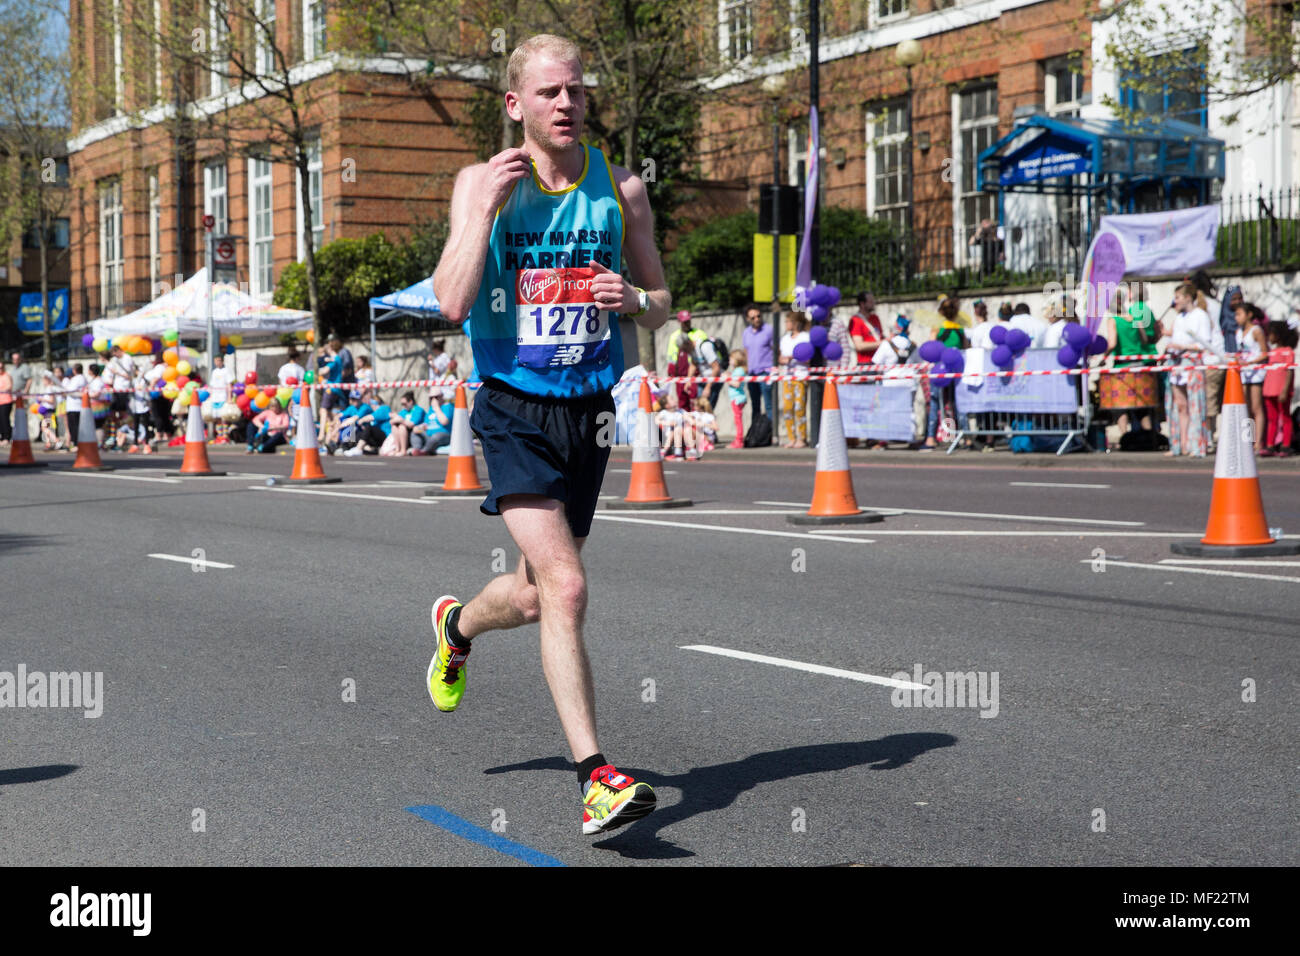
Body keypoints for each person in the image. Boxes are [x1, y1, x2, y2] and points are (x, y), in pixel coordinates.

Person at [428, 32, 664, 834]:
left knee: (533, 599)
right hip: (512, 407)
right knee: (566, 587)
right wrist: (485, 214)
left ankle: (456, 625)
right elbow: (452, 303)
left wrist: (631, 299)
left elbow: (664, 299)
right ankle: (597, 778)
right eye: (550, 93)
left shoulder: (621, 187)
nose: (567, 104)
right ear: (515, 104)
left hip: (588, 411)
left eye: (577, 92)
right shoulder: (479, 182)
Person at [1161, 281, 1212, 458]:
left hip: (1192, 363)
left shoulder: (1200, 316)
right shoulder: (1179, 318)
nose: (1175, 301)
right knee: (1180, 405)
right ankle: (1180, 443)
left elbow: (1204, 343)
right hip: (1177, 364)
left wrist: (1182, 346)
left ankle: (1196, 444)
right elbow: (1174, 337)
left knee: (1195, 405)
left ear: (1188, 297)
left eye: (1178, 297)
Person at [1102, 285, 1160, 435]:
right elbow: (1145, 339)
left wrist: (1103, 357)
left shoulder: (1113, 320)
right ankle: (1148, 436)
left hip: (1123, 366)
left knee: (1121, 405)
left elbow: (1113, 343)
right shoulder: (1135, 318)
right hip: (1139, 365)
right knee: (1141, 405)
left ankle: (1124, 437)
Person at [924, 298, 966, 449]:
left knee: (935, 402)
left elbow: (931, 346)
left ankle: (930, 438)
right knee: (957, 403)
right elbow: (965, 347)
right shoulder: (959, 328)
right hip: (957, 369)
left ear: (941, 311)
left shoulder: (938, 327)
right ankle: (964, 437)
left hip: (939, 370)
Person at [1233, 301, 1269, 455]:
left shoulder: (1256, 331)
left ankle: (1258, 442)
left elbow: (1264, 353)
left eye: (1239, 314)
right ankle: (1248, 439)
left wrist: (1250, 362)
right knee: (1246, 408)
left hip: (1255, 373)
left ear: (1249, 315)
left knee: (1256, 407)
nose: (1236, 318)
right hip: (1244, 373)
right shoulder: (1238, 332)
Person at [1261, 320, 1296, 457]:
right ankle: (1270, 445)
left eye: (1271, 334)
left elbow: (1289, 372)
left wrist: (1285, 390)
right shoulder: (1272, 352)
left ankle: (1286, 445)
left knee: (1285, 417)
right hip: (1269, 390)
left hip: (1281, 391)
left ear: (1278, 335)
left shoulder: (1288, 352)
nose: (1269, 337)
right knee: (1272, 418)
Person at [777, 310, 811, 448]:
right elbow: (779, 356)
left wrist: (793, 357)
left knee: (799, 407)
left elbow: (808, 357)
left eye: (788, 321)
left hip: (801, 376)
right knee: (787, 408)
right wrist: (782, 360)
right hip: (787, 376)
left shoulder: (805, 337)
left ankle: (802, 437)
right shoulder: (784, 338)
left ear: (795, 323)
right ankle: (791, 437)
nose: (786, 324)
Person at [742, 302, 775, 427]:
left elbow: (775, 349)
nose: (756, 319)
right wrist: (745, 368)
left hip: (765, 371)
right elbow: (746, 351)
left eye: (758, 316)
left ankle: (770, 432)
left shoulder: (768, 330)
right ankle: (756, 431)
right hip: (752, 373)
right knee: (755, 404)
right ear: (748, 319)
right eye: (753, 317)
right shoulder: (746, 333)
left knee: (768, 404)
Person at [848, 292, 883, 366]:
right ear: (862, 304)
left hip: (879, 361)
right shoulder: (855, 321)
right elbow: (859, 346)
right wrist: (881, 343)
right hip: (865, 363)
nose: (873, 303)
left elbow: (880, 337)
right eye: (870, 301)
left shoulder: (875, 318)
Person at [388, 390, 426, 456]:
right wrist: (395, 418)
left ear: (411, 402)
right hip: (405, 433)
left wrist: (401, 420)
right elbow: (392, 421)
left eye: (404, 404)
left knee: (402, 427)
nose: (403, 406)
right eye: (402, 404)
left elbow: (411, 424)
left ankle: (403, 450)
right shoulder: (404, 411)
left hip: (416, 432)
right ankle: (398, 449)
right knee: (394, 427)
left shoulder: (418, 410)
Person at [726, 347, 747, 448]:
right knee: (737, 420)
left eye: (731, 359)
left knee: (738, 421)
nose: (729, 361)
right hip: (736, 398)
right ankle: (738, 440)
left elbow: (737, 384)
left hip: (737, 398)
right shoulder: (738, 370)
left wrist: (727, 379)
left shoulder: (739, 370)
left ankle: (739, 441)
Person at [62, 363, 86, 446]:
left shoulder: (78, 379)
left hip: (75, 406)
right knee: (72, 426)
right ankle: (75, 443)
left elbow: (70, 390)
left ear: (74, 370)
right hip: (73, 406)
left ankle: (76, 444)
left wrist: (64, 389)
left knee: (75, 426)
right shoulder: (79, 378)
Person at [0, 358, 12, 446]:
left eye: (1, 367)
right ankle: (2, 437)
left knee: (5, 420)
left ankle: (6, 437)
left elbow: (9, 386)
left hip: (6, 401)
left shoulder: (6, 376)